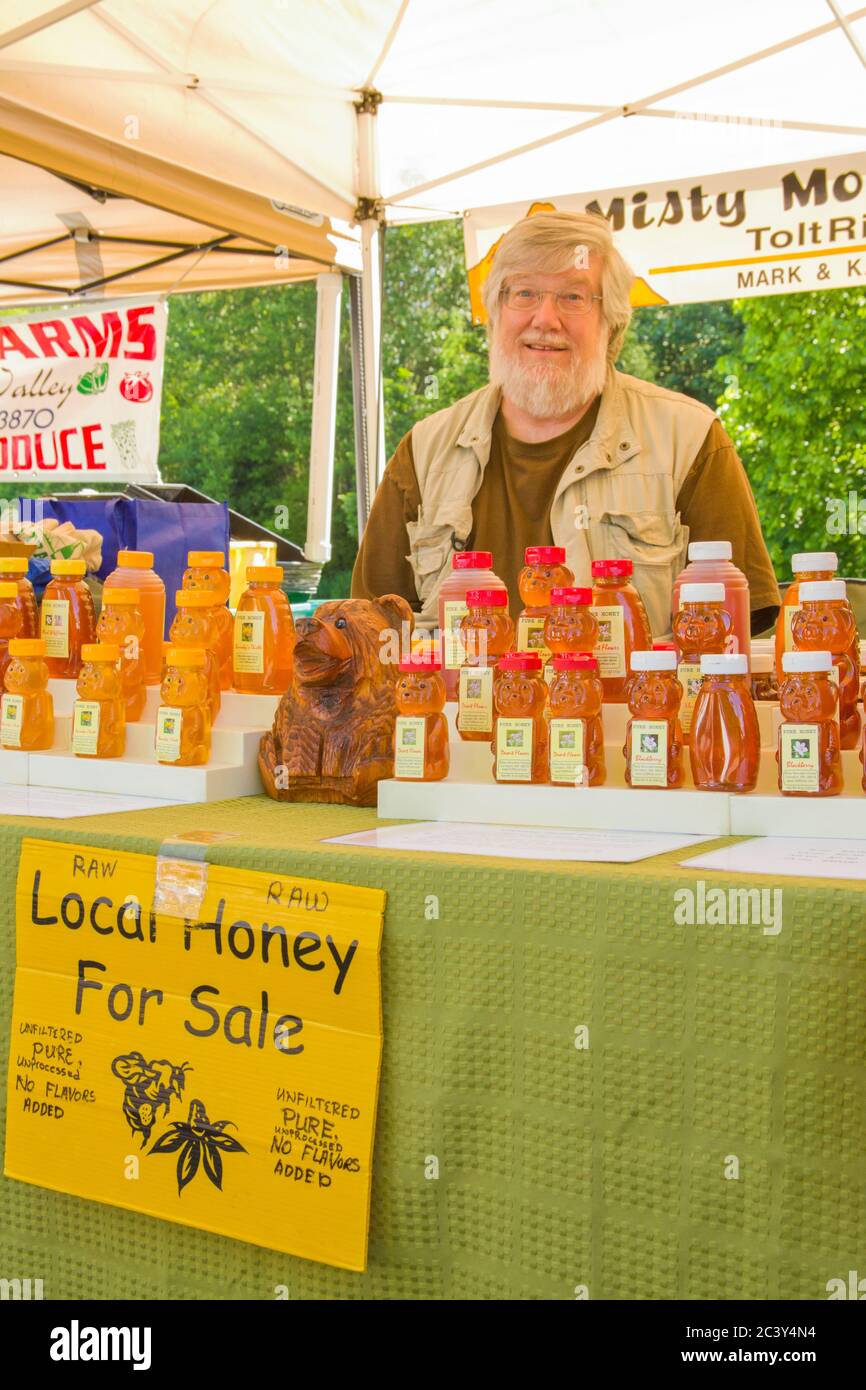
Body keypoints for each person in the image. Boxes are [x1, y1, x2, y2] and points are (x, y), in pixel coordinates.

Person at [351, 210, 780, 638]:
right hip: (459, 709)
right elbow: (370, 637)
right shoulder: (423, 453)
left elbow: (738, 643)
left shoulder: (691, 441)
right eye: (524, 294)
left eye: (573, 298)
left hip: (629, 707)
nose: (545, 319)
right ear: (496, 311)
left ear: (611, 321)